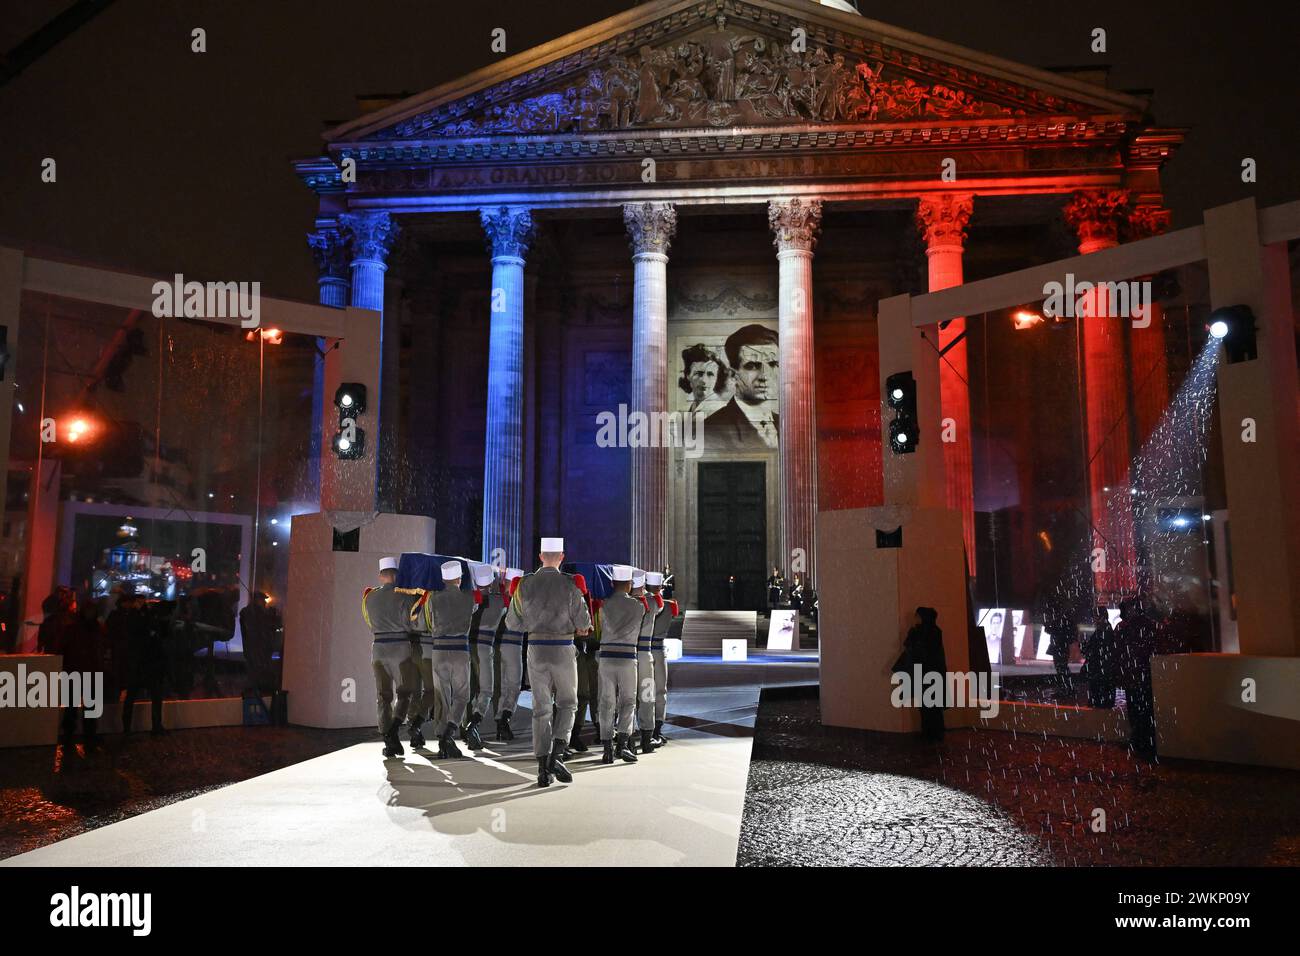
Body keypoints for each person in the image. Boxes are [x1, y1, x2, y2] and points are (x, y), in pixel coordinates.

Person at [505, 537, 593, 787]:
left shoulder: (524, 585)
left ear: (540, 556)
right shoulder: (570, 585)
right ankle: (557, 754)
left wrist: (532, 625)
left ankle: (543, 769)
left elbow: (512, 623)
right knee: (567, 703)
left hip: (535, 648)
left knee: (540, 707)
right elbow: (584, 623)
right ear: (562, 557)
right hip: (563, 648)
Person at [361, 556, 421, 759]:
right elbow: (413, 625)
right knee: (405, 692)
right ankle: (394, 729)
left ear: (380, 576)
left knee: (383, 696)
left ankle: (388, 738)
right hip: (401, 648)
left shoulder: (369, 597)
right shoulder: (405, 596)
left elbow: (369, 623)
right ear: (396, 575)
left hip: (378, 648)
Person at [419, 560, 481, 757]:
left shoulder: (432, 598)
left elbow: (423, 623)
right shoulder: (469, 598)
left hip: (438, 651)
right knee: (462, 696)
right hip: (460, 652)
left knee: (441, 697)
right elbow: (476, 604)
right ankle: (449, 732)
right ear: (459, 578)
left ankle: (442, 739)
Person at [702, 323, 780, 452]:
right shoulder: (710, 430)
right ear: (733, 374)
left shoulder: (788, 426)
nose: (765, 376)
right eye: (752, 366)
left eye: (773, 364)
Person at [596, 565, 641, 764]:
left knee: (606, 703)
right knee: (628, 701)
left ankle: (607, 748)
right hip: (628, 658)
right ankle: (622, 744)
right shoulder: (638, 606)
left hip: (606, 656)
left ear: (612, 583)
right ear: (630, 585)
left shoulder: (604, 604)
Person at [1115, 597, 1158, 757]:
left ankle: (1142, 741)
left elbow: (1122, 650)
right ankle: (1142, 741)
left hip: (1136, 674)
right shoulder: (1142, 625)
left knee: (1139, 709)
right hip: (1137, 674)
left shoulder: (1134, 626)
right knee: (1139, 709)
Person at [121, 594, 169, 736]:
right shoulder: (135, 617)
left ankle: (149, 727)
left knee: (139, 696)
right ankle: (150, 727)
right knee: (146, 695)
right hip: (142, 663)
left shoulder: (140, 616)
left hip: (144, 663)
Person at [61, 598, 106, 748]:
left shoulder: (76, 628)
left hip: (82, 671)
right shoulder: (95, 629)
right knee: (78, 707)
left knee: (78, 707)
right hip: (83, 671)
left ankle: (79, 735)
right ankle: (84, 735)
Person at [470, 564, 507, 743]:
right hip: (485, 649)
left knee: (468, 692)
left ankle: (465, 727)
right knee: (486, 690)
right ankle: (473, 725)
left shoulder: (469, 599)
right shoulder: (500, 602)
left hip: (467, 648)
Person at [900, 606, 947, 741]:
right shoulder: (933, 632)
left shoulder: (925, 633)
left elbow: (919, 651)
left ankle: (930, 732)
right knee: (930, 705)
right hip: (931, 673)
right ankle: (933, 732)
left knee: (928, 705)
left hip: (926, 673)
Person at [646, 571, 679, 748]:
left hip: (643, 650)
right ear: (660, 587)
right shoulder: (669, 605)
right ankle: (656, 729)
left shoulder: (642, 604)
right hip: (657, 651)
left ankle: (646, 729)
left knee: (644, 693)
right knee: (660, 691)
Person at [494, 567, 526, 740]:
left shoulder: (499, 600)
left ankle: (501, 720)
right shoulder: (518, 602)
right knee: (513, 685)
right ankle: (503, 720)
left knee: (505, 686)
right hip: (512, 646)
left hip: (499, 647)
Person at [631, 568, 660, 754]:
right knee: (647, 696)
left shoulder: (621, 602)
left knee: (626, 698)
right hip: (644, 654)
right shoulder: (652, 601)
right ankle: (647, 739)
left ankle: (626, 740)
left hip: (626, 654)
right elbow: (660, 600)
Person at [570, 572, 598, 753]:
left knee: (584, 695)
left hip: (586, 653)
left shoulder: (584, 604)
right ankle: (568, 735)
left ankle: (575, 733)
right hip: (572, 652)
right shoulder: (568, 603)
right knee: (572, 697)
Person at [1080, 607, 1117, 708]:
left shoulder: (1103, 631)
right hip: (1102, 672)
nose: (1094, 619)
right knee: (1102, 701)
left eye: (1095, 616)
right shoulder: (1104, 629)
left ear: (1101, 616)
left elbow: (1096, 651)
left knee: (1100, 702)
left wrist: (1085, 648)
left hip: (1100, 672)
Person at [677, 343, 728, 415]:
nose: (704, 380)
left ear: (717, 378)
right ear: (688, 376)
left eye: (710, 374)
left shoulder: (720, 410)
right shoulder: (694, 406)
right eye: (699, 373)